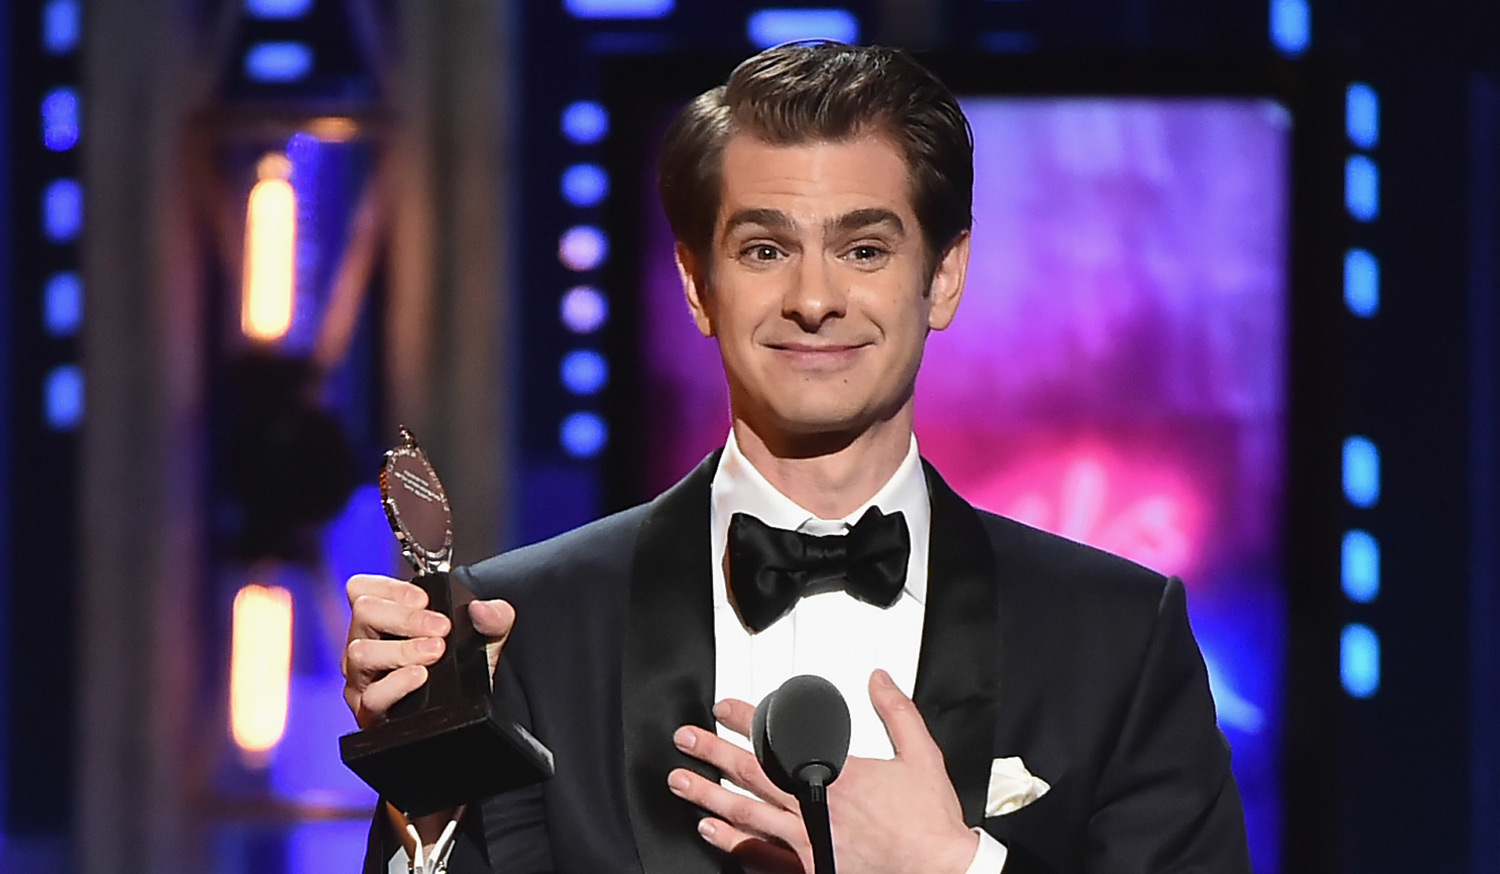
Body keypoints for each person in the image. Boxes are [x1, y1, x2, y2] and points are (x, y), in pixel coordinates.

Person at [343, 41, 1252, 874]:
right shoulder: (533, 628)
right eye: (767, 249)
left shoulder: (1115, 638)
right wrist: (429, 782)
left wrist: (954, 867)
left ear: (943, 276)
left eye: (863, 248)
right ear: (699, 285)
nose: (814, 299)